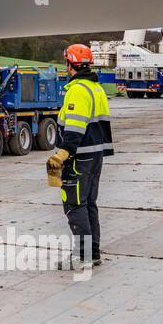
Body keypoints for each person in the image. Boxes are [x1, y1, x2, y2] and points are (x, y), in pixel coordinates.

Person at [47, 43, 112, 268]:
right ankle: (92, 254)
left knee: (74, 205)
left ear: (69, 63)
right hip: (96, 155)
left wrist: (62, 155)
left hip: (78, 157)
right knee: (89, 204)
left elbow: (75, 127)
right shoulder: (96, 88)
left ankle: (82, 257)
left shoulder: (77, 89)